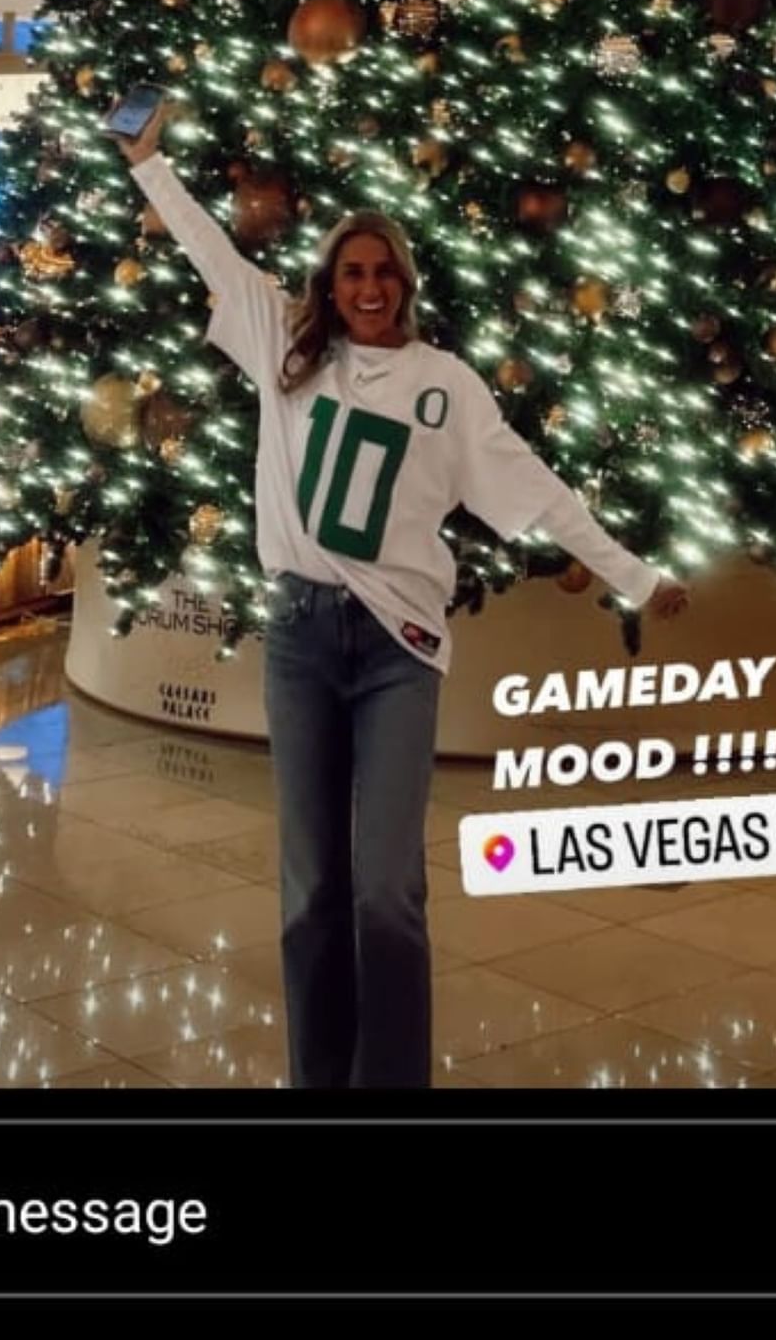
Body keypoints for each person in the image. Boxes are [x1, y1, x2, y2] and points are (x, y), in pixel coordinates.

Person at [113, 97, 688, 1090]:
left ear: (405, 284)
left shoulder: (448, 384)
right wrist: (150, 165)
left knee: (385, 889)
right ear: (329, 284)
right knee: (309, 891)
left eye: (383, 271)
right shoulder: (287, 350)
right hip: (298, 634)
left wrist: (634, 572)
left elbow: (540, 489)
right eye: (351, 270)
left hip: (397, 653)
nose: (368, 286)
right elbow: (210, 250)